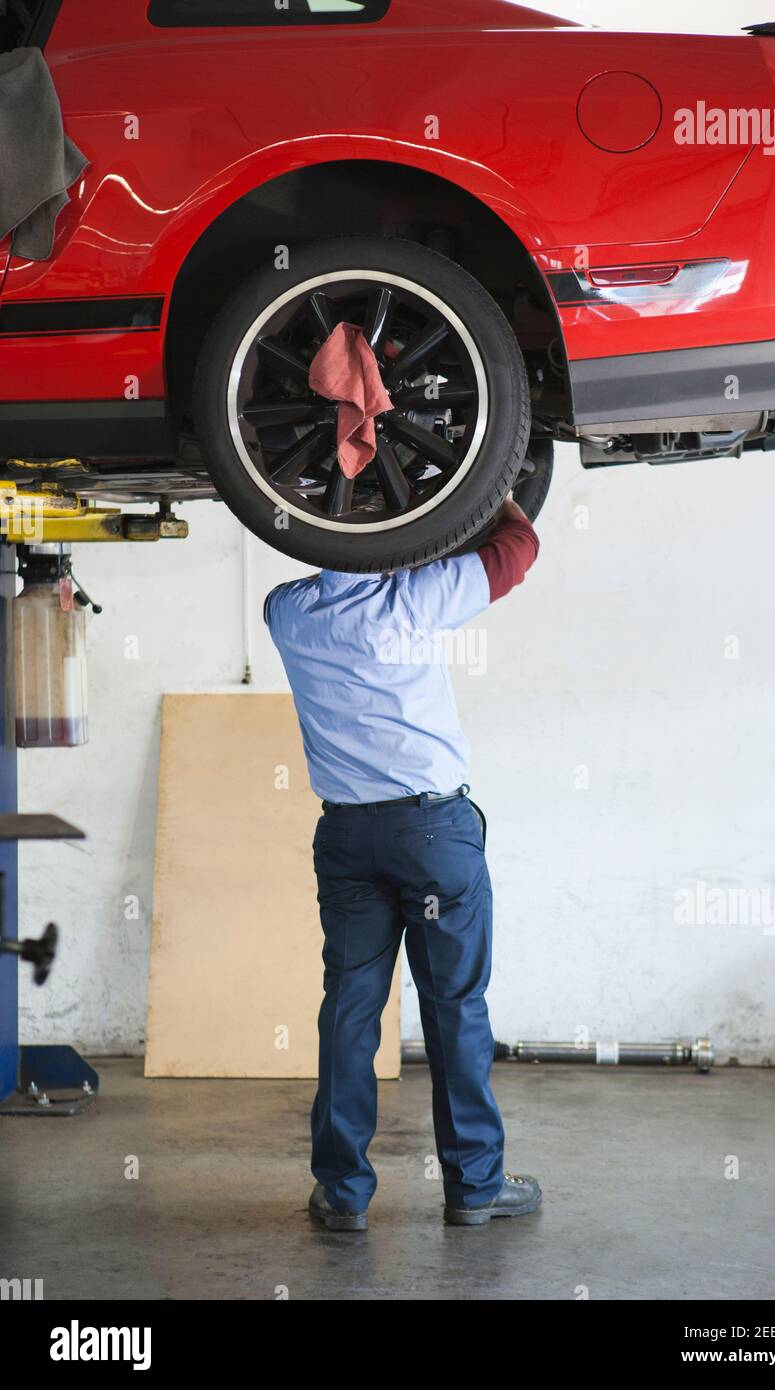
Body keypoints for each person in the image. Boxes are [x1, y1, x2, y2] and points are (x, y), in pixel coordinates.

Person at [264, 495, 541, 1229]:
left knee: (351, 1009)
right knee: (454, 1007)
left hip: (348, 839)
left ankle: (345, 1194)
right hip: (431, 834)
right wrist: (487, 488)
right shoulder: (418, 600)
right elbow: (518, 548)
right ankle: (475, 1190)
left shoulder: (287, 613)